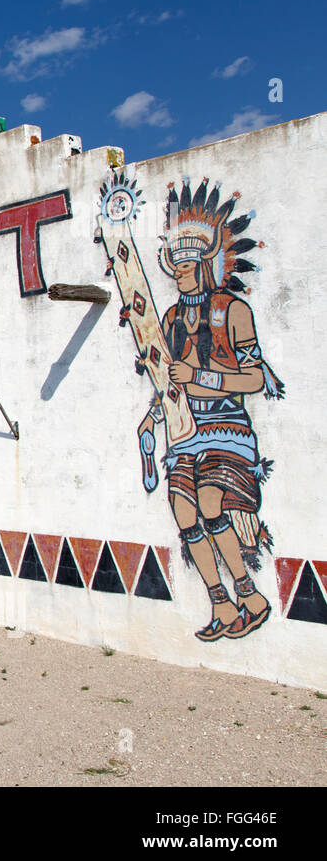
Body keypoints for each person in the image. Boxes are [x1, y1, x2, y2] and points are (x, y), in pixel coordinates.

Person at [137, 177, 283, 641]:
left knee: (210, 501)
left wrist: (201, 378)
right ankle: (223, 605)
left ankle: (250, 594)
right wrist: (153, 416)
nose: (179, 274)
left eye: (187, 266)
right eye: (175, 267)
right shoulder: (173, 318)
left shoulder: (232, 310)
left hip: (225, 424)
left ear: (207, 265)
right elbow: (167, 383)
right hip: (184, 427)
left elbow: (257, 378)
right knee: (183, 512)